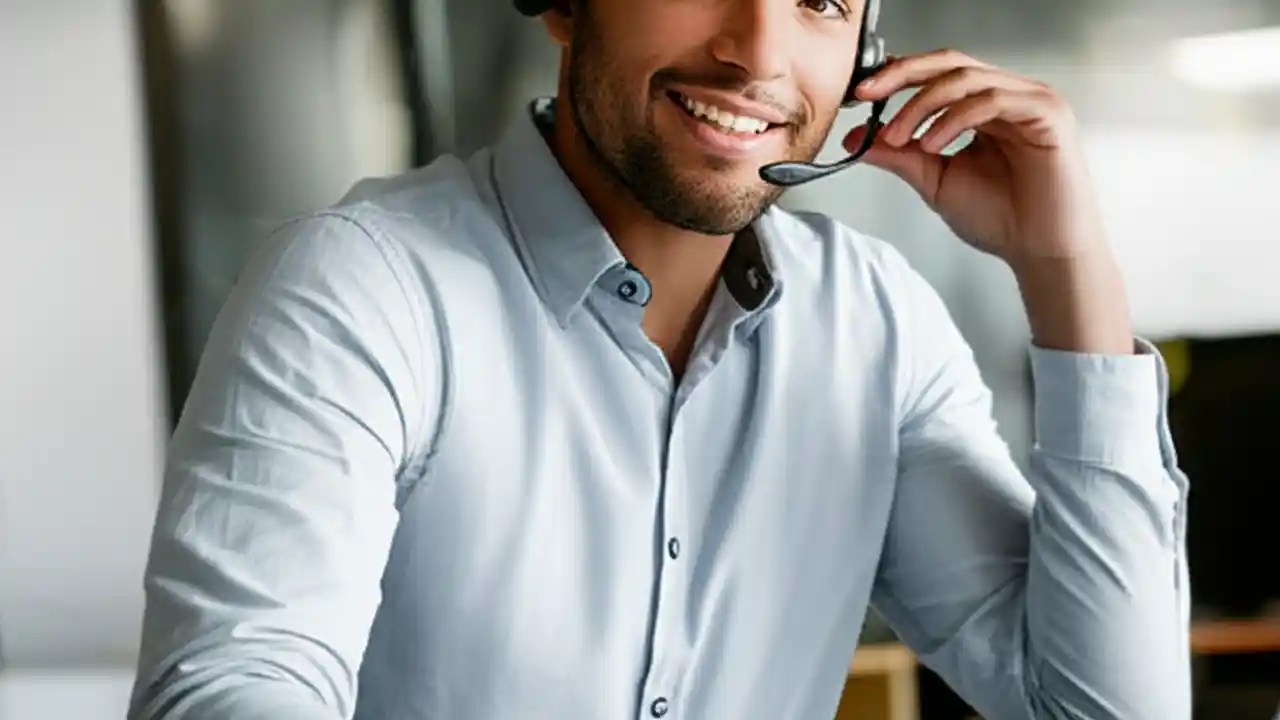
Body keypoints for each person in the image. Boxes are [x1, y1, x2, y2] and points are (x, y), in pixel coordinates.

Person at [127, 0, 1192, 718]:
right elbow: (238, 683)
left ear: (868, 55)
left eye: (820, 0)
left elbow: (1095, 708)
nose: (758, 53)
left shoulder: (875, 324)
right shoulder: (364, 285)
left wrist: (1065, 267)